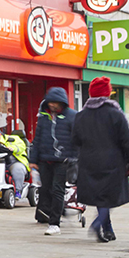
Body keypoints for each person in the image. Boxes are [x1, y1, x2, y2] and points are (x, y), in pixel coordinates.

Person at [73, 77, 129, 243]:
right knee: (108, 195)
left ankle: (108, 229)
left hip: (88, 162)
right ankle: (99, 222)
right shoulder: (115, 114)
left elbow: (75, 141)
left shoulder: (81, 116)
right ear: (107, 93)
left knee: (101, 196)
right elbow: (126, 140)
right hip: (112, 161)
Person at [30, 87, 76, 236]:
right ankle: (51, 213)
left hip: (63, 160)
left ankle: (54, 223)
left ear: (62, 102)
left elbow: (77, 140)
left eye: (55, 103)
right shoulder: (44, 118)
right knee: (45, 189)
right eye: (50, 103)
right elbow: (37, 140)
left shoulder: (72, 117)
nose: (52, 105)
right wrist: (33, 159)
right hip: (45, 159)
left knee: (57, 190)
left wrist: (74, 157)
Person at [0, 128, 29, 198]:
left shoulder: (14, 138)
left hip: (14, 162)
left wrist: (13, 148)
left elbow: (22, 147)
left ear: (0, 134)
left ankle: (18, 191)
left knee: (17, 169)